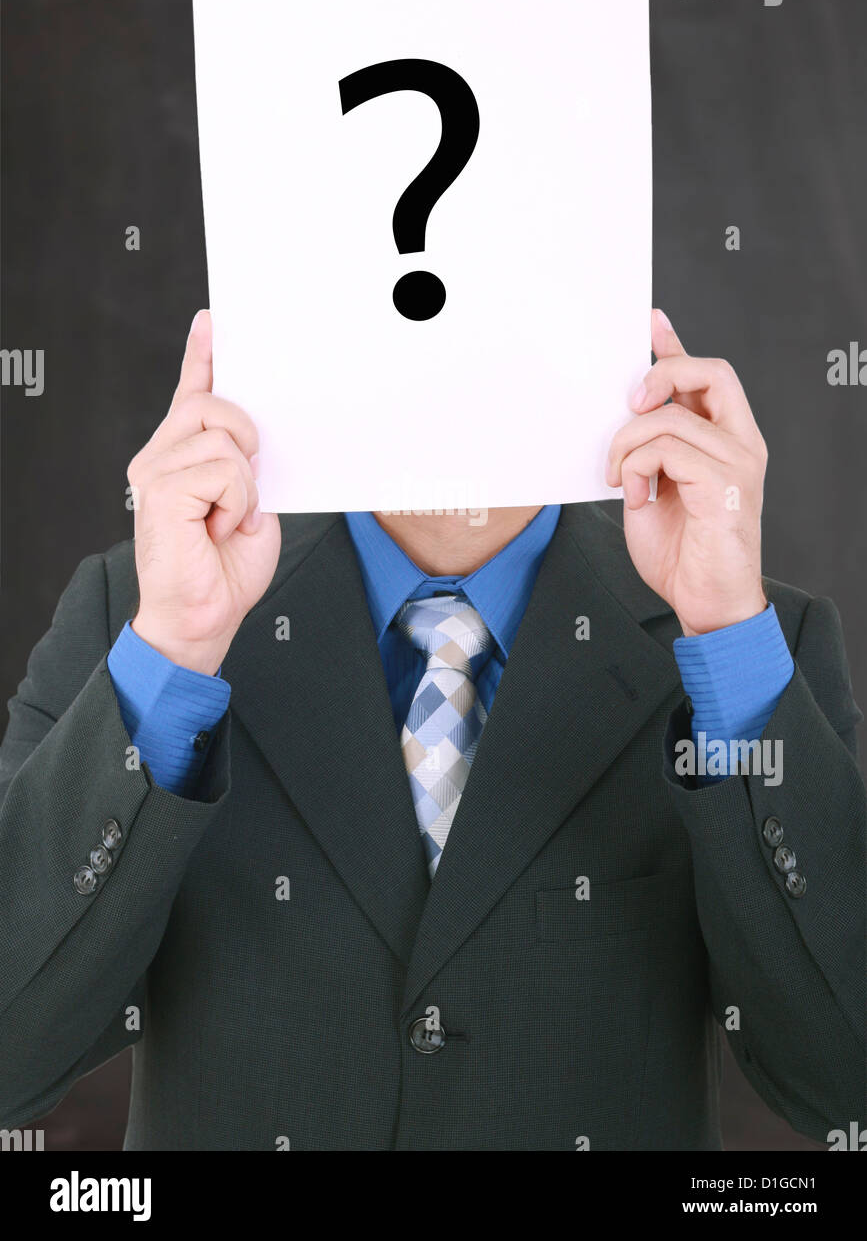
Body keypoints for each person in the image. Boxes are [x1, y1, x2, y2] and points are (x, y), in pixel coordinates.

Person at [0, 307, 863, 1151]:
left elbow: (838, 1081)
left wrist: (724, 638)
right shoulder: (141, 613)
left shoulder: (748, 642)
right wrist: (177, 650)